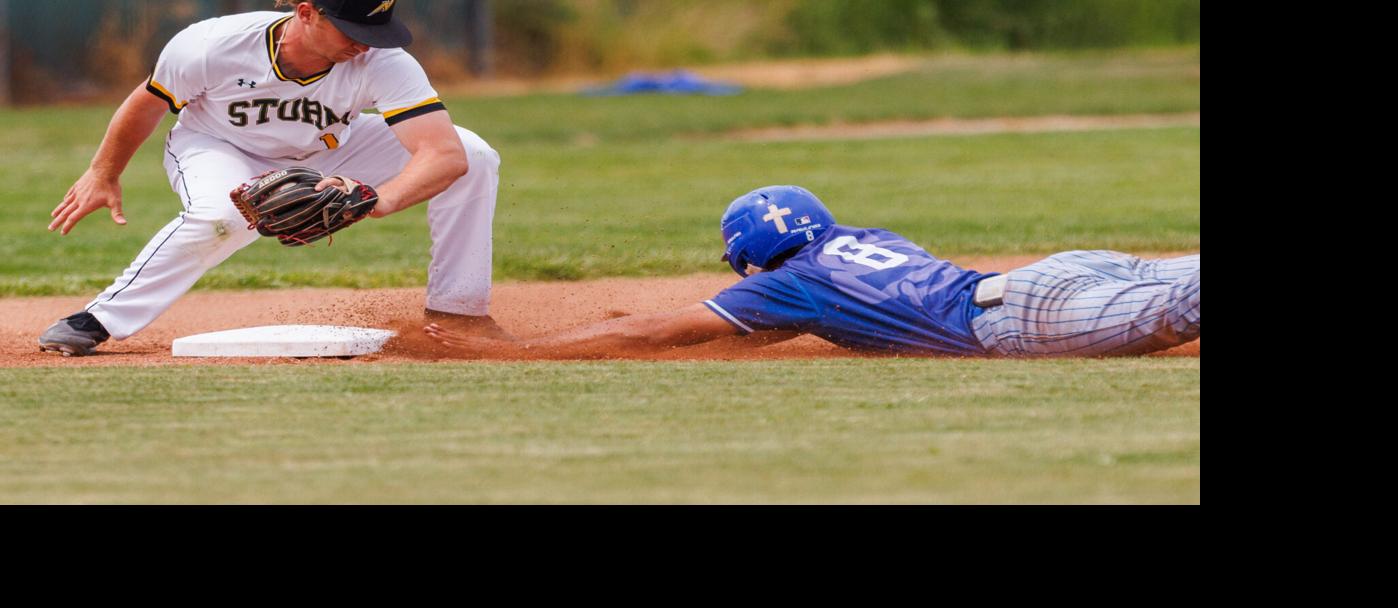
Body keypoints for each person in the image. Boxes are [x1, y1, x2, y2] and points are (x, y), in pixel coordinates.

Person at [39, 0, 504, 357]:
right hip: (219, 145)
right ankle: (98, 319)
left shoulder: (383, 60)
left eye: (377, 30)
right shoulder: (211, 44)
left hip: (326, 147)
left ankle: (459, 313)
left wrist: (376, 199)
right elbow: (148, 103)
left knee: (475, 155)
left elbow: (442, 154)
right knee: (223, 216)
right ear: (306, 12)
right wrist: (104, 172)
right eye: (353, 29)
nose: (366, 42)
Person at [424, 185, 1200, 358]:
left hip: (1014, 320)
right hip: (1055, 273)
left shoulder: (783, 285)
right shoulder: (864, 237)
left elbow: (662, 328)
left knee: (1181, 310)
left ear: (750, 251)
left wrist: (518, 353)